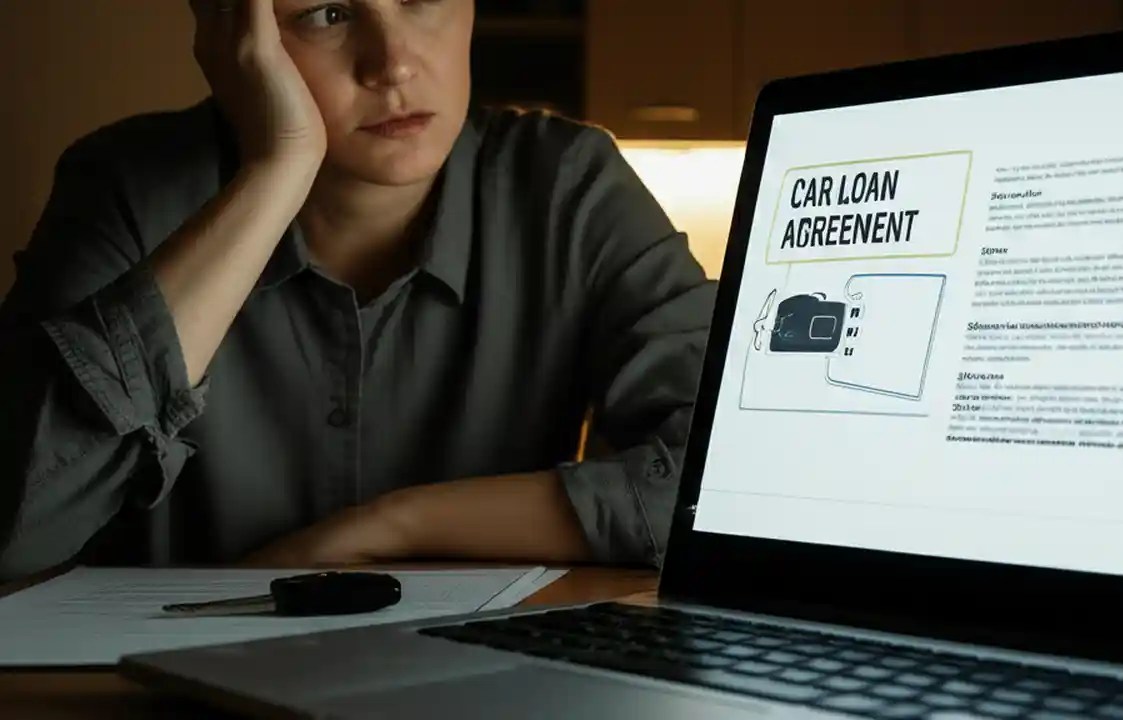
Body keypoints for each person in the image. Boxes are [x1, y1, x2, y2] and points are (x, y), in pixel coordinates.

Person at [0, 0, 716, 581]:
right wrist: (279, 165)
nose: (393, 62)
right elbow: (16, 529)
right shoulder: (125, 188)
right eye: (328, 14)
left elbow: (728, 486)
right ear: (231, 33)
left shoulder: (569, 187)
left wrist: (389, 527)